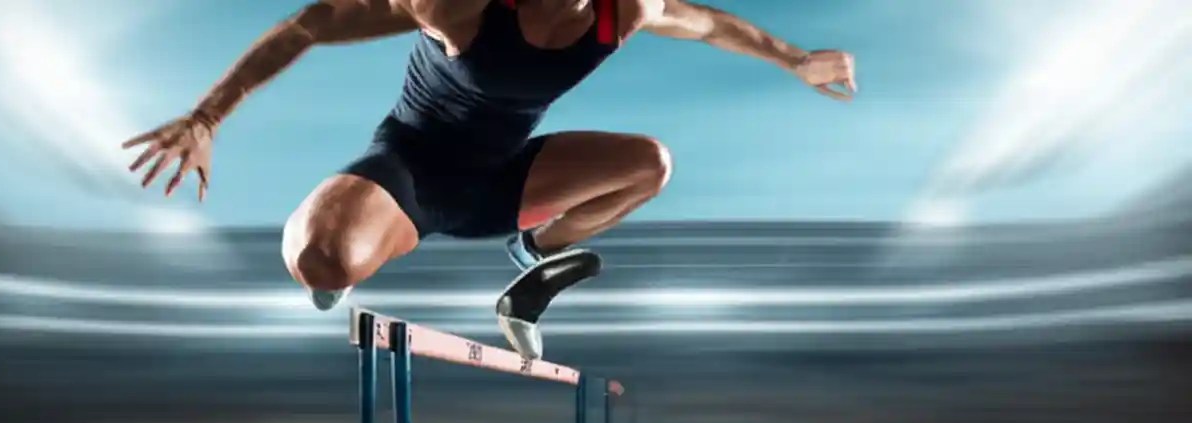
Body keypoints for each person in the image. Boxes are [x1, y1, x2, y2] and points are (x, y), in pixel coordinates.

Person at [123, 0, 856, 358]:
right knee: (318, 262)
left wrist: (795, 59)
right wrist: (206, 117)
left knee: (649, 163)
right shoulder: (460, 4)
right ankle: (345, 251)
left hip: (507, 180)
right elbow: (310, 25)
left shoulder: (624, 9)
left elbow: (708, 25)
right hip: (410, 168)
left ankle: (531, 257)